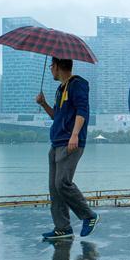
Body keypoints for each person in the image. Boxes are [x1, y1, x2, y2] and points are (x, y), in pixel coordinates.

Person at [35, 58, 100, 239]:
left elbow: (83, 111)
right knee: (54, 188)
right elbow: (57, 115)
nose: (50, 70)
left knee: (62, 182)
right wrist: (43, 104)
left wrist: (74, 135)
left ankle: (89, 216)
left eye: (51, 67)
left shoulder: (78, 84)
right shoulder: (60, 88)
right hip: (56, 142)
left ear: (56, 66)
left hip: (70, 142)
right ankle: (62, 227)